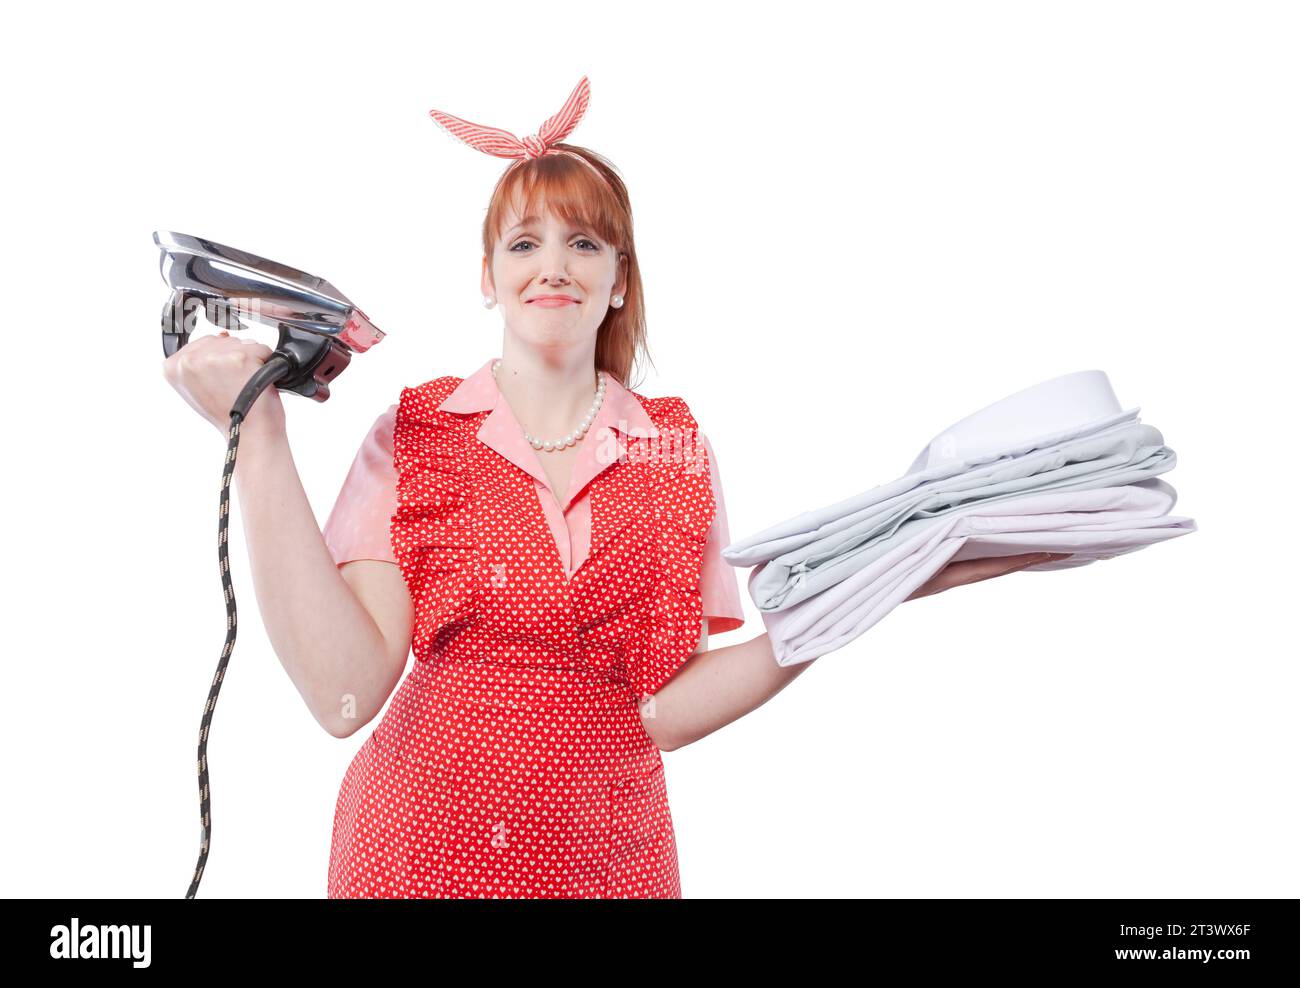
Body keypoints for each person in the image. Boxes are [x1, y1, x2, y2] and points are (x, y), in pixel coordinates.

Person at [161, 76, 1070, 898]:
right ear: (488, 276)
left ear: (619, 279)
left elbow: (665, 713)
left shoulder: (677, 452)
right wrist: (262, 440)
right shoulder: (417, 436)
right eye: (524, 242)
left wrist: (881, 585)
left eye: (583, 242)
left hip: (610, 868)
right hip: (413, 854)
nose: (552, 265)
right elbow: (344, 696)